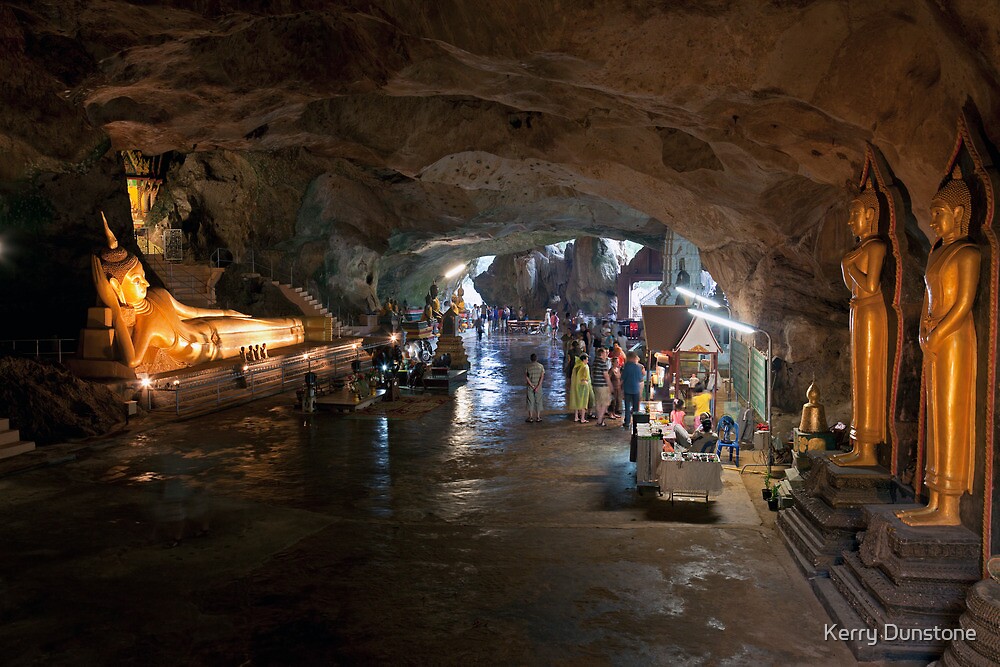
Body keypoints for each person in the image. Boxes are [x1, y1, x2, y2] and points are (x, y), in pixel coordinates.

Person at [897, 167, 981, 527]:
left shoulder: (968, 254)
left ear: (960, 214)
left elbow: (963, 304)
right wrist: (922, 333)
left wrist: (939, 332)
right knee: (933, 415)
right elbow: (928, 301)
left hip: (956, 340)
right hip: (935, 340)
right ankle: (934, 498)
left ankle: (950, 504)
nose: (932, 219)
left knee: (951, 415)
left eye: (939, 212)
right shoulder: (937, 253)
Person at [621, 352, 645, 429]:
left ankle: (627, 422)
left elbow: (622, 378)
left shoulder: (626, 367)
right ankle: (635, 422)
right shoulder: (638, 367)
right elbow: (640, 379)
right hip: (636, 389)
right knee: (636, 408)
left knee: (627, 407)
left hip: (627, 389)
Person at [568, 354, 594, 423]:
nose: (588, 361)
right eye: (587, 359)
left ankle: (576, 417)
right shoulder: (584, 367)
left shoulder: (576, 366)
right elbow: (584, 378)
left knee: (577, 401)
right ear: (584, 360)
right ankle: (582, 418)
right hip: (583, 387)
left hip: (575, 386)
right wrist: (587, 382)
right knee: (583, 403)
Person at [591, 347, 612, 426]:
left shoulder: (595, 362)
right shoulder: (603, 363)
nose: (606, 354)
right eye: (605, 353)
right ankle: (600, 420)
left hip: (595, 385)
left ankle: (599, 418)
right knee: (605, 402)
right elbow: (606, 375)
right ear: (602, 354)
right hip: (602, 385)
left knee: (598, 402)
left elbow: (592, 373)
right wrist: (610, 386)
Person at [525, 353, 545, 423]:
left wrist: (532, 386)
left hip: (530, 387)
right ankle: (538, 417)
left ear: (531, 359)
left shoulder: (528, 366)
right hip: (538, 386)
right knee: (538, 401)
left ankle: (530, 417)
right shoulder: (541, 366)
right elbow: (542, 377)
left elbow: (527, 377)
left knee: (530, 401)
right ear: (537, 359)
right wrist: (538, 386)